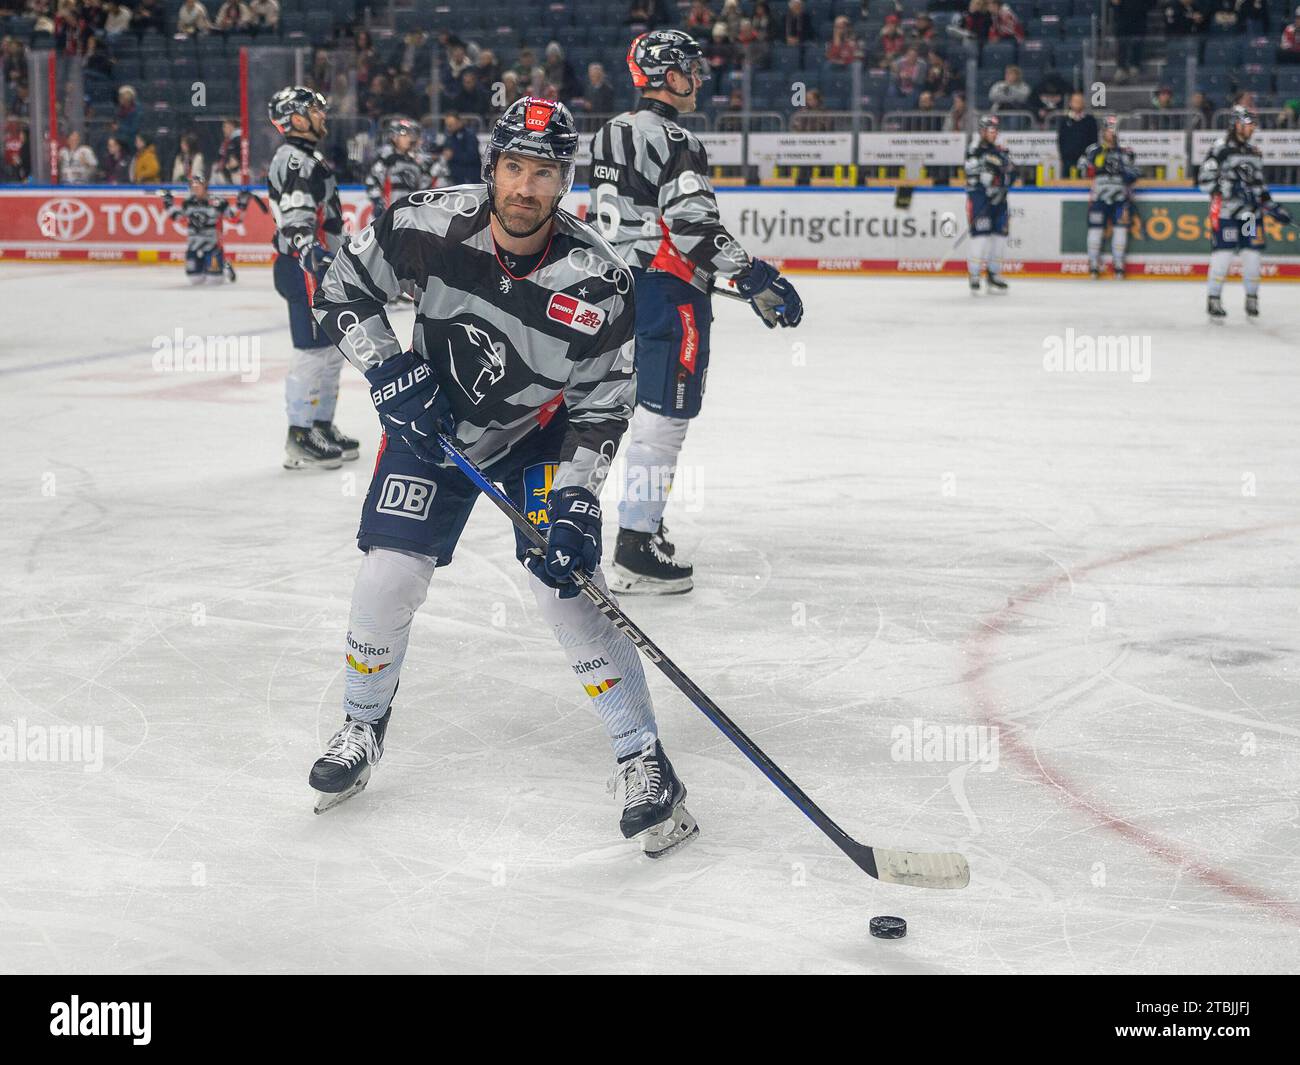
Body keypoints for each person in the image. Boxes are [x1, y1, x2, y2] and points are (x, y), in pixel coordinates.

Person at [306, 96, 700, 858]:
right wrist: (388, 369)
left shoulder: (599, 281)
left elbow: (603, 403)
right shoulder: (425, 224)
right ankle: (362, 721)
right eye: (514, 167)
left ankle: (643, 757)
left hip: (537, 441)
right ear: (492, 168)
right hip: (433, 427)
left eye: (545, 173)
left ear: (566, 183)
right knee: (387, 577)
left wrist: (579, 502)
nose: (526, 187)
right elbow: (341, 286)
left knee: (568, 589)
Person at [589, 30, 803, 594]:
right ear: (666, 75)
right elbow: (691, 229)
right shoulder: (677, 139)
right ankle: (634, 546)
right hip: (668, 298)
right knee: (664, 423)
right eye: (691, 68)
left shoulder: (609, 132)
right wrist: (755, 275)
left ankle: (640, 526)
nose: (701, 77)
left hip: (618, 292)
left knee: (627, 416)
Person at [265, 86, 358, 469]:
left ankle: (320, 424)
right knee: (311, 352)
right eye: (315, 110)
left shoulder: (307, 157)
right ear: (296, 118)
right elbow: (296, 214)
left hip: (321, 266)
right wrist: (308, 249)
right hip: (305, 267)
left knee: (331, 352)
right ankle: (299, 434)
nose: (323, 115)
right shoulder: (292, 160)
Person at [1199, 105, 1293, 317]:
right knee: (1222, 256)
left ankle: (1252, 298)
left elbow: (1259, 188)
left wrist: (1273, 207)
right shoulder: (1220, 149)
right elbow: (1204, 181)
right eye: (1249, 124)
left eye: (1253, 124)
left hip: (1250, 216)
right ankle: (1213, 299)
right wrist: (1230, 188)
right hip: (1226, 215)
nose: (1252, 128)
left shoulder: (1254, 153)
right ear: (1237, 124)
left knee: (1252, 257)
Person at [1078, 116, 1140, 279]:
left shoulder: (1126, 152)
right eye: (1108, 129)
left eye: (1113, 129)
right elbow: (1082, 168)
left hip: (1120, 197)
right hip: (1099, 196)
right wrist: (1098, 166)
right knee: (1095, 230)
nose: (1111, 133)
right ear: (1102, 131)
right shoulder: (1093, 150)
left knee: (1120, 230)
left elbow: (1135, 173)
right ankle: (1093, 265)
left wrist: (1122, 170)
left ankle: (1119, 265)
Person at [963, 114, 1017, 292]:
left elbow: (1011, 172)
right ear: (982, 131)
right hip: (980, 198)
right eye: (990, 130)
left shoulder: (1001, 150)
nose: (994, 134)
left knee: (1000, 237)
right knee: (981, 236)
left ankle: (994, 274)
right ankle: (975, 274)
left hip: (1000, 199)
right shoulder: (974, 150)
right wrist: (987, 181)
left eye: (995, 130)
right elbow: (972, 174)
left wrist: (1002, 186)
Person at [163, 173, 249, 283]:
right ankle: (205, 265)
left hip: (212, 246)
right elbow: (178, 217)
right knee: (195, 280)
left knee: (214, 280)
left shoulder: (218, 202)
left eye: (198, 185)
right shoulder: (188, 203)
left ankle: (225, 266)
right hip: (193, 246)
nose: (195, 188)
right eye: (193, 186)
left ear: (205, 186)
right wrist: (168, 204)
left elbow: (235, 219)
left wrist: (242, 204)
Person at [365, 115, 433, 220]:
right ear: (394, 137)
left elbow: (425, 184)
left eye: (410, 136)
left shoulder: (416, 160)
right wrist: (377, 201)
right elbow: (372, 180)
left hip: (412, 211)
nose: (408, 139)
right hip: (391, 209)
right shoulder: (387, 157)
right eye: (404, 136)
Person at [1057, 91, 1098, 177]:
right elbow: (1061, 140)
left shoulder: (1090, 120)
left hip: (1085, 160)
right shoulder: (1065, 121)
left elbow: (1094, 141)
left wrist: (1088, 157)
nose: (1077, 104)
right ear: (1070, 103)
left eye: (1079, 101)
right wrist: (1064, 157)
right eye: (1075, 101)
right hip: (1068, 160)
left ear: (1083, 103)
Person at [436, 110, 482, 185]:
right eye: (447, 125)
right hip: (454, 177)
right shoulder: (450, 136)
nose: (448, 128)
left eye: (451, 125)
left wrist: (453, 155)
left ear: (459, 122)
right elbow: (445, 148)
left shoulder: (469, 136)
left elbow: (472, 156)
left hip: (468, 178)